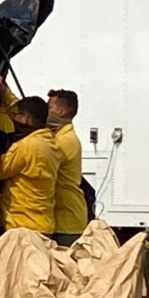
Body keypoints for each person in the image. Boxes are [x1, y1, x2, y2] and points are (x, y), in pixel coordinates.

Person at [0, 95, 61, 234]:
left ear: (26, 118)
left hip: (24, 225)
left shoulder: (25, 146)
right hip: (43, 223)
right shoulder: (51, 143)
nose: (14, 119)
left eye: (17, 115)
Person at [47, 89, 88, 245]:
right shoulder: (61, 135)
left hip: (67, 221)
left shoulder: (64, 141)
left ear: (62, 112)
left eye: (49, 107)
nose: (46, 111)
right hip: (65, 217)